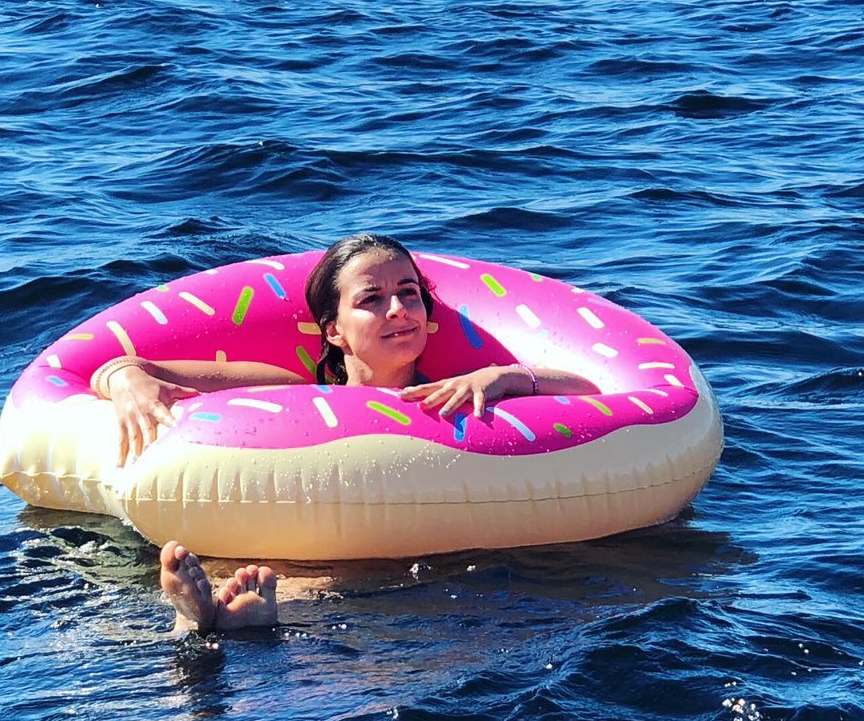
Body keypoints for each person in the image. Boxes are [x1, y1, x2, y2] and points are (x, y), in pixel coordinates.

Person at [88, 233, 595, 636]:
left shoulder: (458, 395)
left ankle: (228, 618)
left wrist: (504, 377)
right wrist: (124, 379)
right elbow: (125, 366)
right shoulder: (294, 391)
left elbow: (591, 393)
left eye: (409, 294)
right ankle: (210, 617)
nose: (398, 309)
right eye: (372, 299)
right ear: (334, 331)